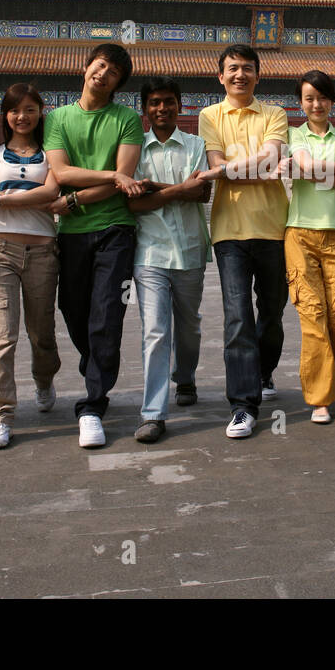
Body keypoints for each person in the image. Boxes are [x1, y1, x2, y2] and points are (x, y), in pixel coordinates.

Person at [44, 43, 145, 449]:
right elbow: (61, 169)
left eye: (114, 72)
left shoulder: (127, 119)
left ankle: (92, 404)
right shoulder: (57, 118)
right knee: (71, 307)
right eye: (99, 66)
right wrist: (112, 177)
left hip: (115, 229)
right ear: (85, 68)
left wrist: (70, 199)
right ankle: (96, 365)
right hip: (71, 235)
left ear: (119, 83)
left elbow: (126, 174)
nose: (103, 74)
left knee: (106, 315)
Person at [197, 44, 289, 439]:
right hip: (229, 232)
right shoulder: (209, 115)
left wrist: (231, 171)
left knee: (272, 313)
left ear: (257, 75)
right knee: (238, 317)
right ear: (221, 76)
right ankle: (242, 404)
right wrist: (260, 169)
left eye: (247, 69)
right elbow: (221, 168)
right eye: (232, 69)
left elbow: (244, 167)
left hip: (274, 228)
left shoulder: (275, 113)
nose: (239, 75)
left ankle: (264, 371)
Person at [127, 78, 212, 443]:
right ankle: (154, 413)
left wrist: (154, 188)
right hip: (150, 252)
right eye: (155, 103)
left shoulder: (196, 145)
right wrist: (179, 189)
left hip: (191, 249)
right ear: (145, 109)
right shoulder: (134, 150)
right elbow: (132, 201)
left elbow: (202, 192)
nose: (162, 108)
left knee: (189, 326)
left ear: (180, 106)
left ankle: (186, 376)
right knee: (155, 331)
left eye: (169, 102)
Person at [0, 83, 62, 449]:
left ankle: (44, 379)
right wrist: (24, 199)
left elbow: (52, 193)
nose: (22, 116)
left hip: (43, 252)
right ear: (5, 115)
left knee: (40, 332)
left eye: (29, 109)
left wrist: (5, 197)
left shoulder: (51, 155)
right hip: (1, 250)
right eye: (15, 110)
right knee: (2, 337)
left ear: (40, 112)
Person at [281, 70, 335, 424]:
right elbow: (309, 166)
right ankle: (320, 399)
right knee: (312, 315)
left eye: (322, 98)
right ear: (301, 103)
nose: (316, 104)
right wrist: (330, 171)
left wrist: (319, 170)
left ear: (332, 101)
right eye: (308, 98)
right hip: (300, 232)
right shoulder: (293, 133)